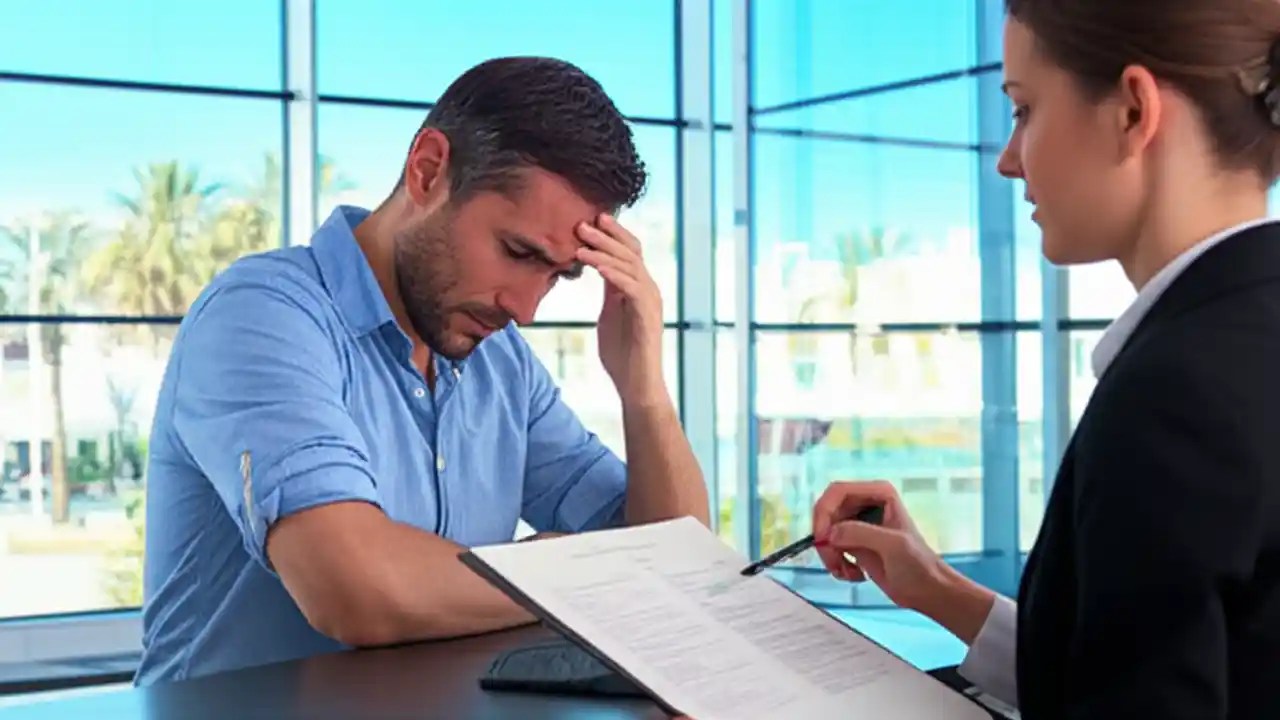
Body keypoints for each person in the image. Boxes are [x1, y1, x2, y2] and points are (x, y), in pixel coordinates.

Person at [134, 56, 710, 686]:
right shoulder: (261, 314)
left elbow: (674, 566)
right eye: (517, 252)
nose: (525, 308)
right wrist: (573, 574)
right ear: (429, 170)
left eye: (557, 274)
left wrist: (643, 389)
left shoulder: (499, 361)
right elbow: (353, 590)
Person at [811, 1, 1280, 718]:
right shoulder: (1244, 340)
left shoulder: (1173, 397)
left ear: (1131, 111)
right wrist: (938, 589)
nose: (1006, 159)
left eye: (1023, 110)